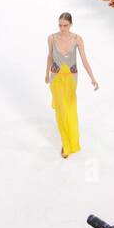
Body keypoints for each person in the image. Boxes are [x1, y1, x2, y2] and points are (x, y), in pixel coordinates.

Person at [46, 11, 99, 158]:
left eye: (65, 25)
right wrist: (46, 74)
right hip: (55, 77)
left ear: (71, 24)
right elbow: (50, 56)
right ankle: (65, 143)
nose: (62, 28)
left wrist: (92, 78)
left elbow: (84, 60)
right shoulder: (51, 38)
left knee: (70, 109)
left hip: (71, 79)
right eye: (60, 25)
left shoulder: (77, 39)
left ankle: (72, 140)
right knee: (62, 111)